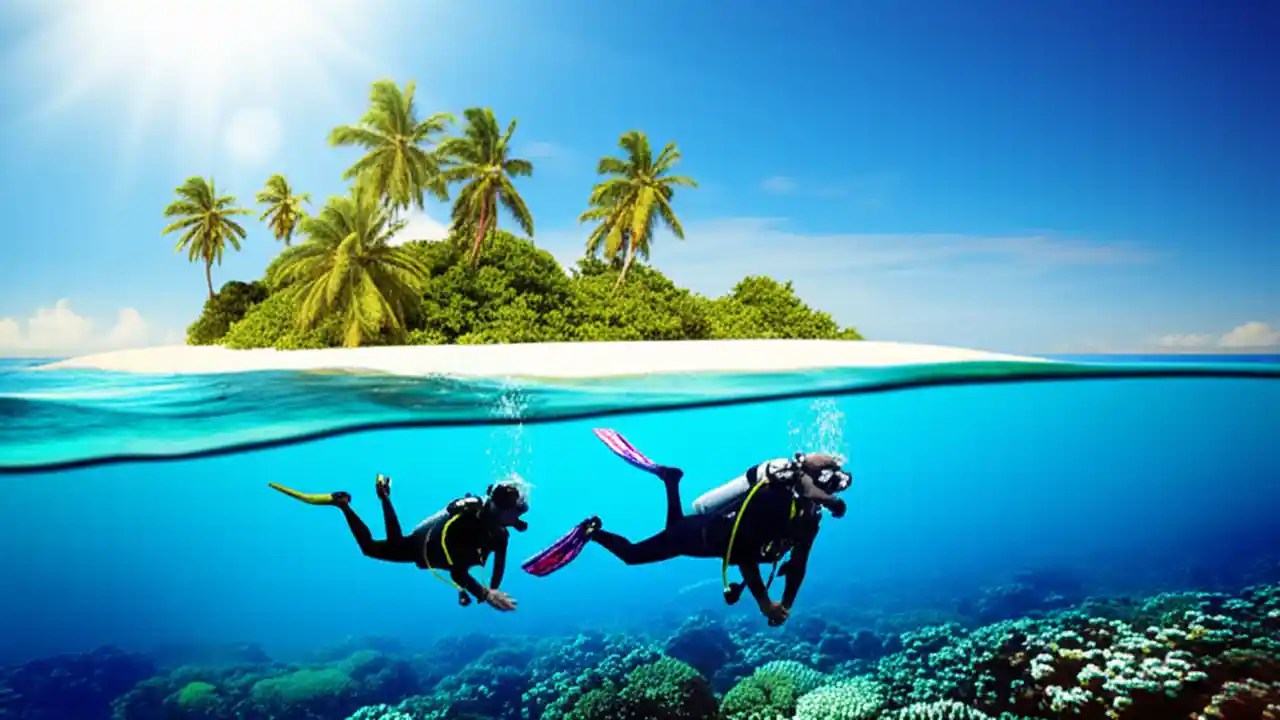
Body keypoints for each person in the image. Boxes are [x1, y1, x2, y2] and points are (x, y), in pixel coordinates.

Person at [577, 452, 851, 626]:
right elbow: (744, 554)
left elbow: (798, 564)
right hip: (706, 535)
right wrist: (767, 605)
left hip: (710, 539)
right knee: (635, 554)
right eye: (825, 488)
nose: (824, 498)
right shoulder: (774, 498)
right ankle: (593, 531)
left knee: (674, 528)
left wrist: (786, 606)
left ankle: (671, 481)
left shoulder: (809, 519)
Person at [269, 474, 529, 611]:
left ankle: (382, 496)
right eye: (518, 510)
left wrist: (488, 592)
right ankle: (343, 504)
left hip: (429, 549)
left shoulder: (500, 534)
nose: (521, 513)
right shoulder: (468, 524)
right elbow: (458, 571)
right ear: (500, 509)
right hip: (423, 547)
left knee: (395, 541)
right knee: (371, 548)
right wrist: (484, 594)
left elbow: (495, 574)